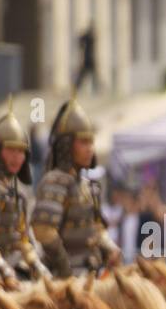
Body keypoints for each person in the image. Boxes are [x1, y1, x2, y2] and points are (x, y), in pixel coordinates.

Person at [30, 97, 122, 278]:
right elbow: (43, 231)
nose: (90, 149)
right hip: (62, 276)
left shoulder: (88, 185)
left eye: (91, 142)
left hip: (91, 270)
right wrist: (66, 270)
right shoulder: (55, 181)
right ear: (67, 145)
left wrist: (111, 249)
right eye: (83, 142)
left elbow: (96, 228)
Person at [0, 99, 51, 287]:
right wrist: (5, 273)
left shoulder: (20, 194)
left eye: (21, 151)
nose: (17, 157)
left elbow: (25, 240)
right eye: (11, 150)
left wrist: (41, 270)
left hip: (16, 269)